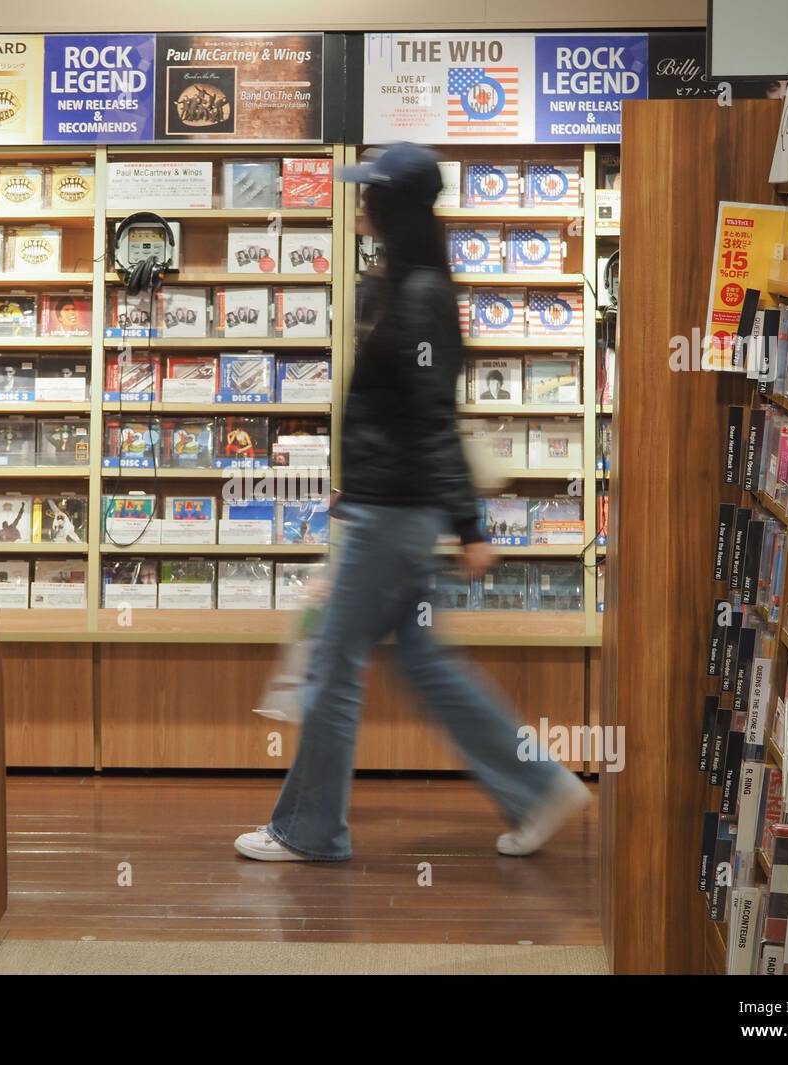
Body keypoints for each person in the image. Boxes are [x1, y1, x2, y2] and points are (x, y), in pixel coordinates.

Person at [235, 143, 590, 863]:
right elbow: (397, 414)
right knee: (426, 663)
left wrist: (468, 525)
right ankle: (539, 784)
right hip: (384, 503)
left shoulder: (421, 293)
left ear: (392, 204)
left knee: (334, 667)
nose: (358, 201)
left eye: (370, 193)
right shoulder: (399, 282)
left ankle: (311, 831)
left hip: (393, 516)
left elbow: (433, 417)